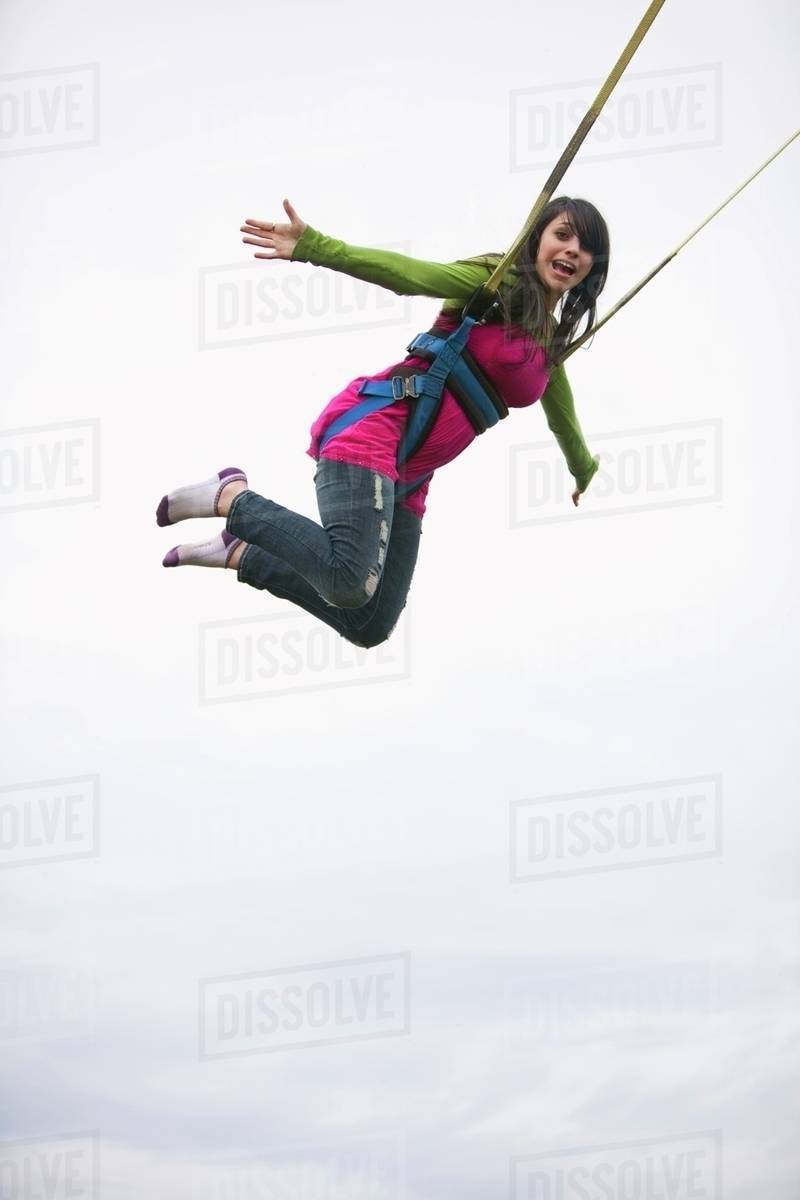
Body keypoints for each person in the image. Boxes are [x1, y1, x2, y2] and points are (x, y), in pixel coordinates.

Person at [157, 196, 609, 648]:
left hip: (408, 479)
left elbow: (564, 421)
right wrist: (317, 247)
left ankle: (242, 553)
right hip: (372, 434)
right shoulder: (493, 285)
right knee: (348, 582)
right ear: (538, 240)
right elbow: (407, 274)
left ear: (593, 265)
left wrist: (584, 470)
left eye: (583, 246)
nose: (571, 250)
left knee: (369, 623)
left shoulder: (548, 348)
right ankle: (232, 497)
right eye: (562, 235)